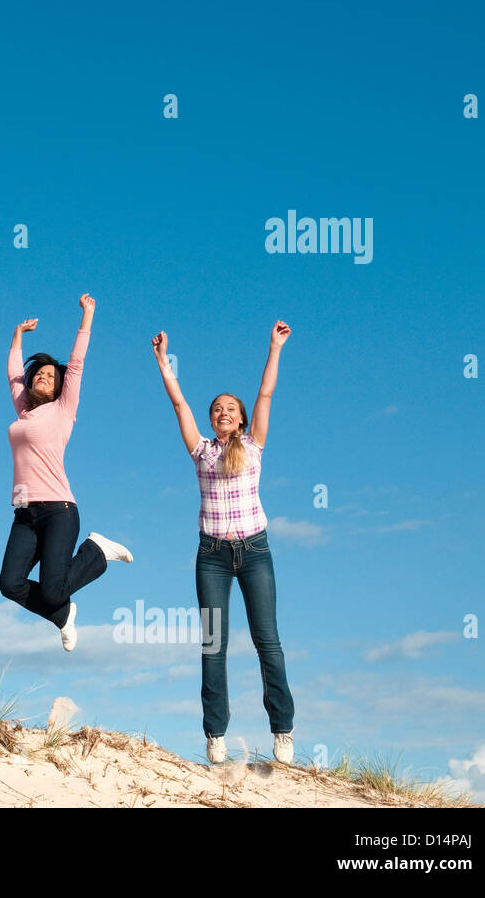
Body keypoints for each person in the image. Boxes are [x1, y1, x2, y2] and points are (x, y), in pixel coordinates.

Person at [151, 322, 296, 766]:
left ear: (241, 417)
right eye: (217, 409)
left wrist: (274, 347)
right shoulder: (201, 452)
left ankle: (283, 730)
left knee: (266, 639)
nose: (223, 412)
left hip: (254, 551)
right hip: (211, 556)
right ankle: (216, 734)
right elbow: (179, 404)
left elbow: (266, 394)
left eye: (230, 408)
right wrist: (162, 362)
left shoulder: (253, 446)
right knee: (213, 643)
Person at [0, 298, 133, 652]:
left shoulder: (62, 410)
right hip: (25, 514)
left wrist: (87, 317)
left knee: (54, 588)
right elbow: (13, 373)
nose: (43, 377)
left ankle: (97, 551)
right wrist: (17, 337)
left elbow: (76, 364)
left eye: (50, 377)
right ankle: (61, 616)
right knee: (10, 584)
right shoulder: (23, 411)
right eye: (38, 374)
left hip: (59, 510)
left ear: (59, 388)